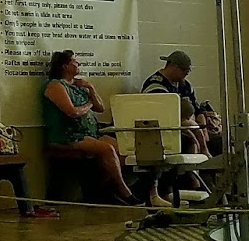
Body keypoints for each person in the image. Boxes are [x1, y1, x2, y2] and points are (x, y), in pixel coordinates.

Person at [42, 50, 139, 205]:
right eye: (75, 61)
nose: (78, 64)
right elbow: (72, 112)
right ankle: (124, 191)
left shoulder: (78, 85)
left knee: (121, 149)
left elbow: (100, 108)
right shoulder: (55, 85)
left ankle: (105, 189)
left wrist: (91, 88)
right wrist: (88, 104)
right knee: (107, 149)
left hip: (90, 133)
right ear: (65, 66)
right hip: (69, 135)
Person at [142, 51, 220, 156]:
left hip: (190, 125)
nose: (186, 74)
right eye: (184, 71)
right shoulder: (155, 86)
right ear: (173, 66)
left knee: (222, 141)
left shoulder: (185, 85)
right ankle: (194, 165)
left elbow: (198, 110)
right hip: (167, 130)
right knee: (190, 142)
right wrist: (196, 132)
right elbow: (165, 117)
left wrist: (204, 130)